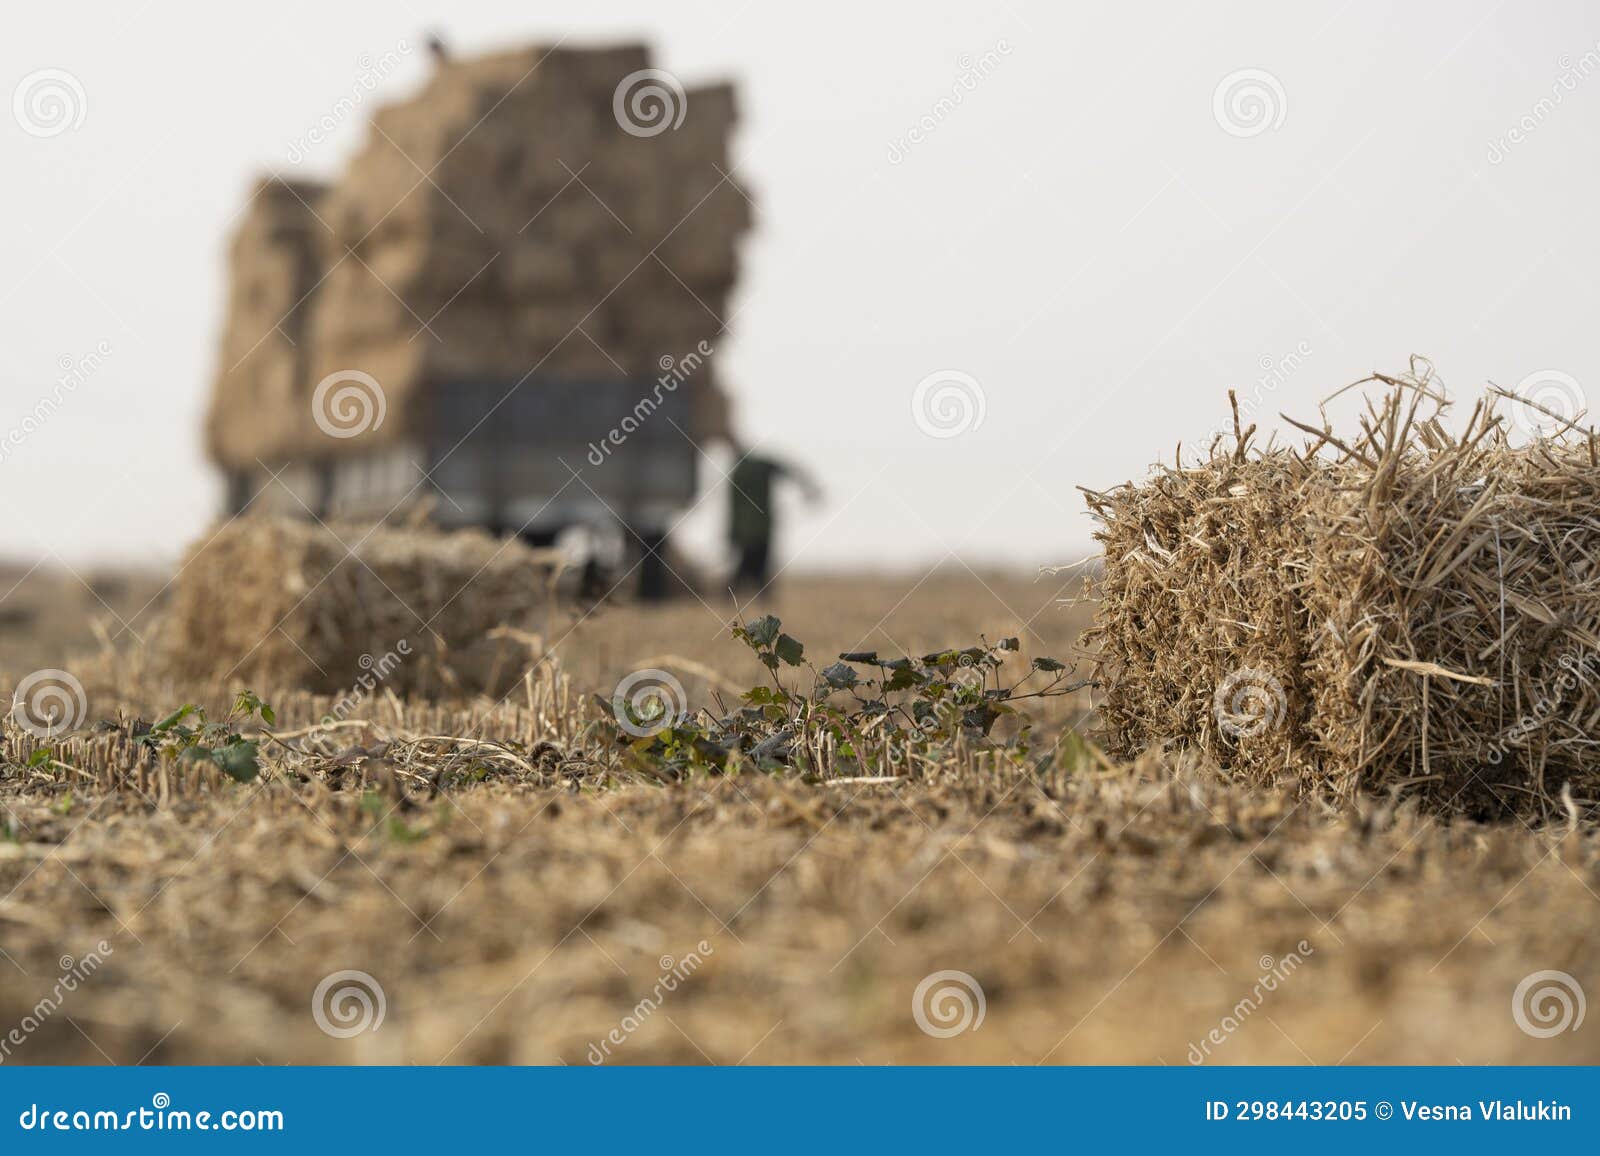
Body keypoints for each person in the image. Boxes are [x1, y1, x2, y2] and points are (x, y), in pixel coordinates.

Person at [727, 446, 820, 592]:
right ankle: (758, 603)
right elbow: (789, 471)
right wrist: (809, 488)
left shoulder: (737, 473)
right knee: (755, 574)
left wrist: (732, 535)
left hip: (746, 533)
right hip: (761, 530)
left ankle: (736, 601)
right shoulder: (759, 467)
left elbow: (732, 509)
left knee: (746, 574)